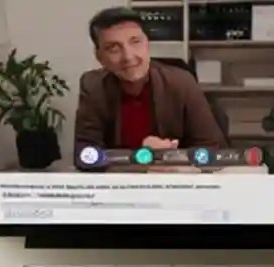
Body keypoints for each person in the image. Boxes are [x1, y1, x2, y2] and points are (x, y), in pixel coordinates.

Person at [73, 7, 227, 158]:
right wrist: (142, 156)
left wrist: (170, 157)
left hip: (174, 173)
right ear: (100, 57)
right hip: (121, 174)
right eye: (114, 48)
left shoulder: (181, 82)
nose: (128, 57)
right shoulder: (93, 86)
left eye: (135, 42)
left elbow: (213, 149)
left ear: (148, 44)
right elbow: (84, 155)